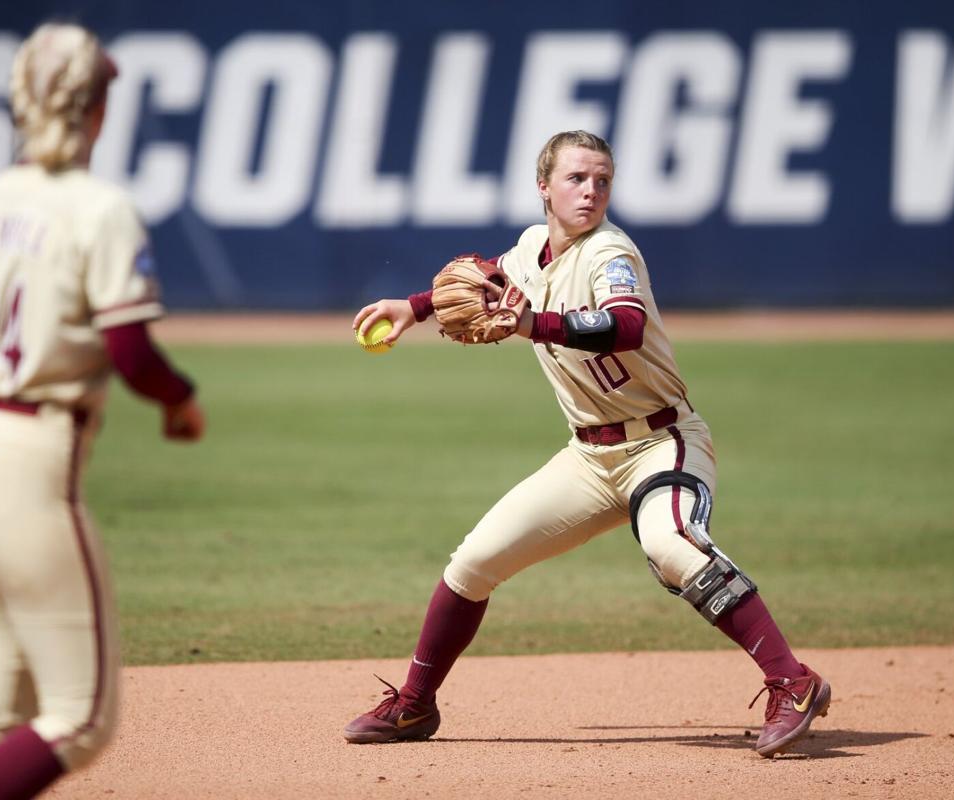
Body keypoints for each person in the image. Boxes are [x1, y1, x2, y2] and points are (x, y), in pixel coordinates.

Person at [345, 130, 829, 758]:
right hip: (588, 458)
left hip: (663, 442)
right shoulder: (531, 248)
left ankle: (792, 680)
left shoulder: (611, 253)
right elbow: (489, 274)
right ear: (542, 186)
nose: (591, 190)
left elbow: (623, 326)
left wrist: (531, 323)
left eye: (602, 179)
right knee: (472, 564)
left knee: (670, 544)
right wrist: (415, 306)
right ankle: (414, 703)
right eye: (576, 178)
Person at [0, 23, 205, 800]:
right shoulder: (99, 208)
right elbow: (132, 355)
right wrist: (181, 401)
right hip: (28, 459)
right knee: (81, 719)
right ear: (99, 112)